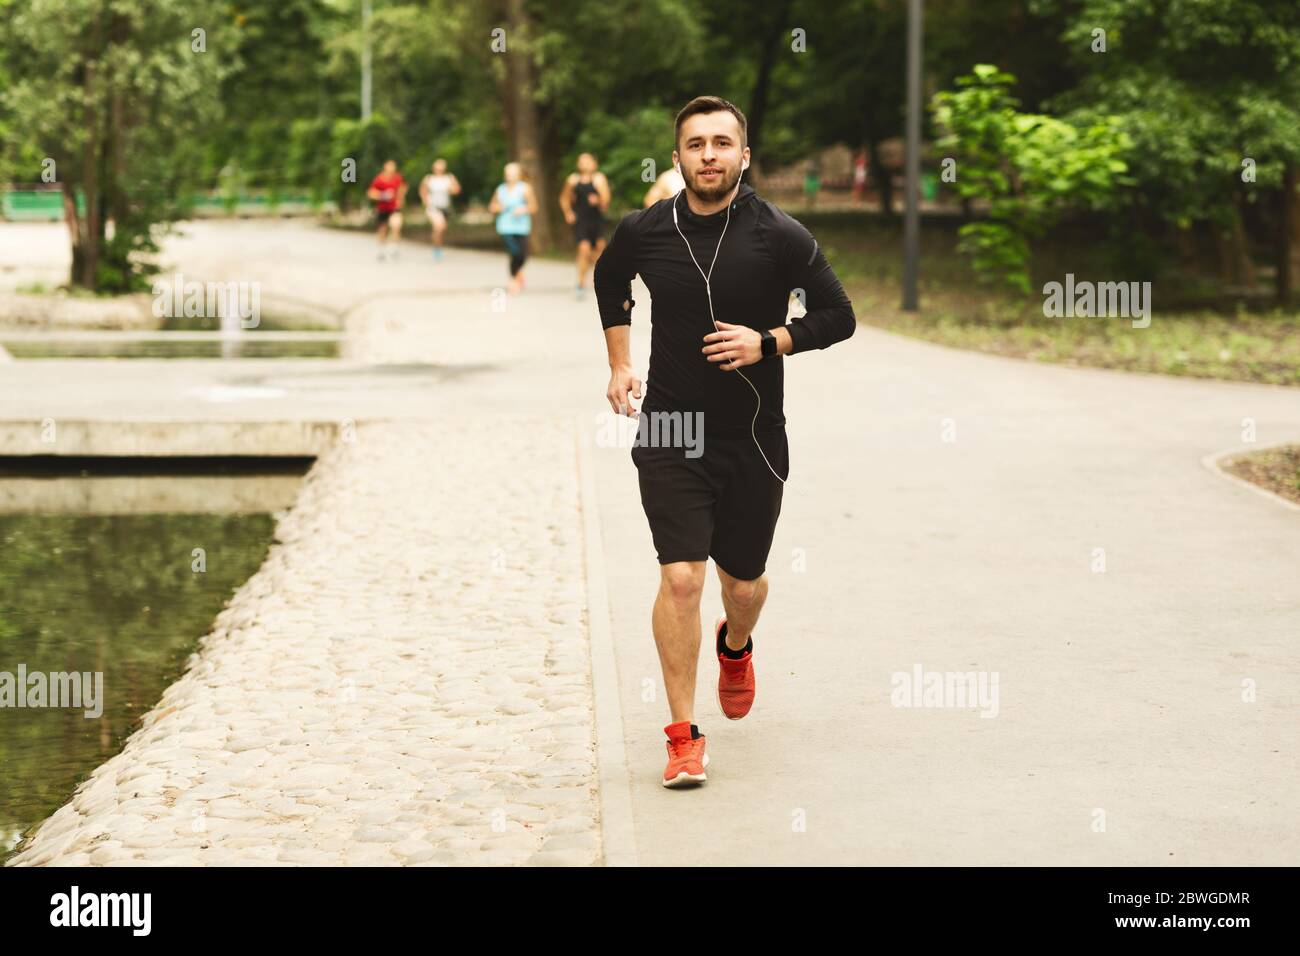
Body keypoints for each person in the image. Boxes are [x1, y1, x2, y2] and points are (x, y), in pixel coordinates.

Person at [594, 96, 855, 788]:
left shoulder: (780, 234)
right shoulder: (644, 230)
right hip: (672, 430)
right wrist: (620, 363)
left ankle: (735, 646)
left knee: (743, 584)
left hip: (753, 439)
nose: (708, 154)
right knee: (681, 579)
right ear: (677, 157)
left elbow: (839, 315)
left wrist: (769, 341)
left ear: (744, 155)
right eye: (694, 144)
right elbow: (609, 278)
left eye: (721, 143)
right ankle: (683, 735)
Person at [559, 152, 612, 299]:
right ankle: (580, 284)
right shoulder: (573, 180)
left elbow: (606, 202)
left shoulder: (599, 179)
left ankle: (597, 279)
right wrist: (568, 213)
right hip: (581, 220)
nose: (584, 163)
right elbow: (564, 199)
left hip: (596, 219)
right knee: (583, 249)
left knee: (598, 251)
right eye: (581, 161)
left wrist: (598, 199)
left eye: (588, 161)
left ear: (594, 163)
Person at [488, 162, 538, 294]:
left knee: (523, 255)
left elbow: (534, 206)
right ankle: (513, 280)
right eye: (508, 173)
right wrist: (499, 207)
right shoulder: (501, 189)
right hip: (505, 226)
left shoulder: (525, 188)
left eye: (513, 173)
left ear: (519, 174)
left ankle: (518, 273)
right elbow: (492, 206)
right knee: (514, 253)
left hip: (521, 226)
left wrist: (523, 209)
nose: (510, 176)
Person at [419, 158, 461, 260]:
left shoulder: (449, 178)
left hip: (445, 207)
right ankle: (436, 249)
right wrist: (426, 202)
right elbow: (422, 190)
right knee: (438, 226)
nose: (439, 169)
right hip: (433, 207)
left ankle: (438, 245)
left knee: (441, 229)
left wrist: (451, 190)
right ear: (433, 168)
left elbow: (457, 190)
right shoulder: (429, 178)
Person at [366, 160, 407, 260]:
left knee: (396, 226)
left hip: (394, 208)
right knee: (382, 230)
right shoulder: (379, 179)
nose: (391, 168)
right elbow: (370, 193)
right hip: (383, 208)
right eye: (389, 166)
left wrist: (400, 199)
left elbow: (403, 188)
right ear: (385, 167)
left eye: (393, 166)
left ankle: (394, 247)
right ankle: (381, 249)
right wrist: (382, 195)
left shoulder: (397, 178)